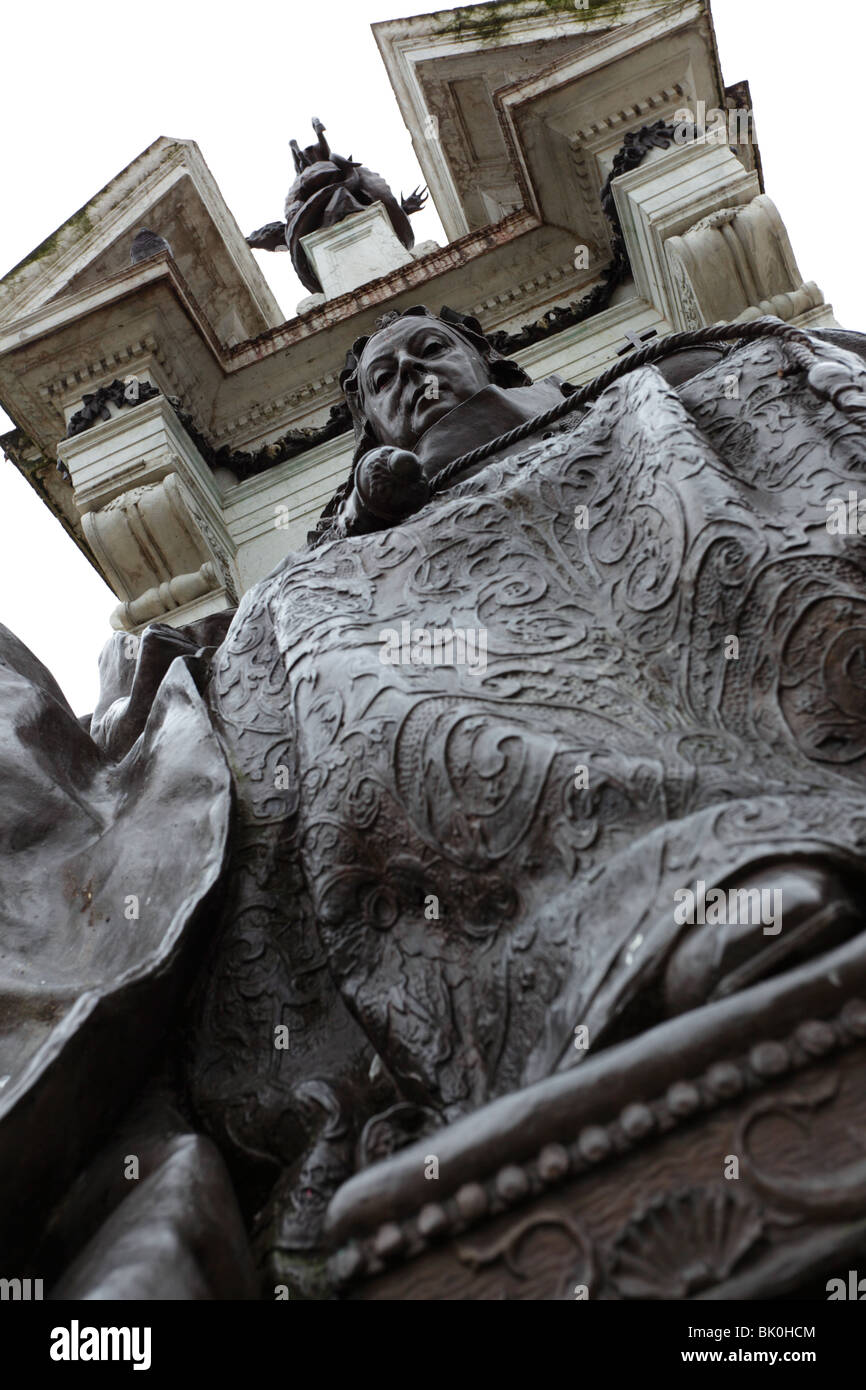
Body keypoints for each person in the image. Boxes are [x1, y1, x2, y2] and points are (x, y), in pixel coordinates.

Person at [3, 306, 866, 1299]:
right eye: (381, 377)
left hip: (613, 481)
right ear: (369, 425)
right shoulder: (344, 537)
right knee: (321, 639)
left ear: (481, 358)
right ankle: (682, 905)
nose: (410, 375)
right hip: (424, 590)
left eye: (429, 351)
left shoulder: (625, 386)